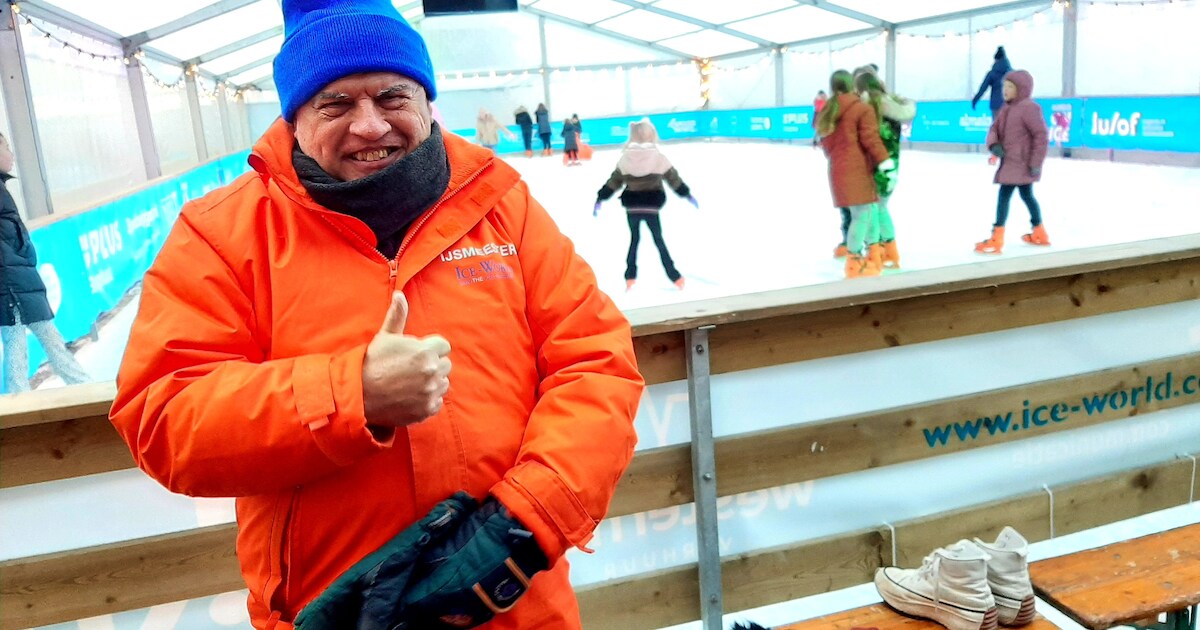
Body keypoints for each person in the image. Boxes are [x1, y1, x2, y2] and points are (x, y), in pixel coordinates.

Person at [107, 1, 644, 628]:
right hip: (341, 612)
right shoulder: (222, 236)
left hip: (513, 602)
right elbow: (164, 416)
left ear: (425, 102)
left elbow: (596, 360)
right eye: (336, 104)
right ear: (296, 119)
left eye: (392, 97)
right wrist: (349, 394)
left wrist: (526, 521)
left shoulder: (501, 206)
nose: (370, 126)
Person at [1, 131, 91, 393]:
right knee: (43, 342)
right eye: (7, 148)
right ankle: (83, 388)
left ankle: (20, 401)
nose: (12, 155)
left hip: (16, 282)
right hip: (13, 286)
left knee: (19, 346)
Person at [593, 118, 697, 291]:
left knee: (634, 240)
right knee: (658, 240)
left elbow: (614, 181)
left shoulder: (626, 158)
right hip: (651, 205)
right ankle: (675, 277)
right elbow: (673, 179)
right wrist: (686, 194)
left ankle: (630, 277)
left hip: (632, 206)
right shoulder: (658, 158)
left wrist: (601, 197)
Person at [815, 70, 894, 279]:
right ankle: (854, 261)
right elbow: (870, 139)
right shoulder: (861, 109)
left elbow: (827, 145)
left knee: (858, 215)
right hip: (857, 169)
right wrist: (885, 161)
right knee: (863, 216)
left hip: (837, 169)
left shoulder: (828, 110)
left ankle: (861, 258)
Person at [975, 70, 1050, 254]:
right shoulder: (1006, 109)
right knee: (1026, 196)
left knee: (1006, 196)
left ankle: (998, 237)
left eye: (1010, 87)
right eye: (1004, 87)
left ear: (1021, 89)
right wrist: (994, 145)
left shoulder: (1030, 108)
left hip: (1023, 163)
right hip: (1010, 161)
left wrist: (1035, 163)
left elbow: (1040, 136)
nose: (1005, 91)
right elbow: (994, 129)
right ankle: (1039, 232)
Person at [855, 69, 916, 270]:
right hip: (892, 166)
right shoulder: (895, 107)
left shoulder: (868, 107)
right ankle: (890, 252)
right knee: (881, 208)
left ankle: (874, 255)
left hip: (875, 166)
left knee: (871, 209)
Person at [973, 46, 1013, 165]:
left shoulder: (992, 73)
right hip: (1009, 106)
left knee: (997, 132)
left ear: (996, 59)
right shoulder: (1012, 73)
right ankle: (1010, 156)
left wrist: (975, 99)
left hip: (996, 106)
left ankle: (996, 156)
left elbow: (983, 87)